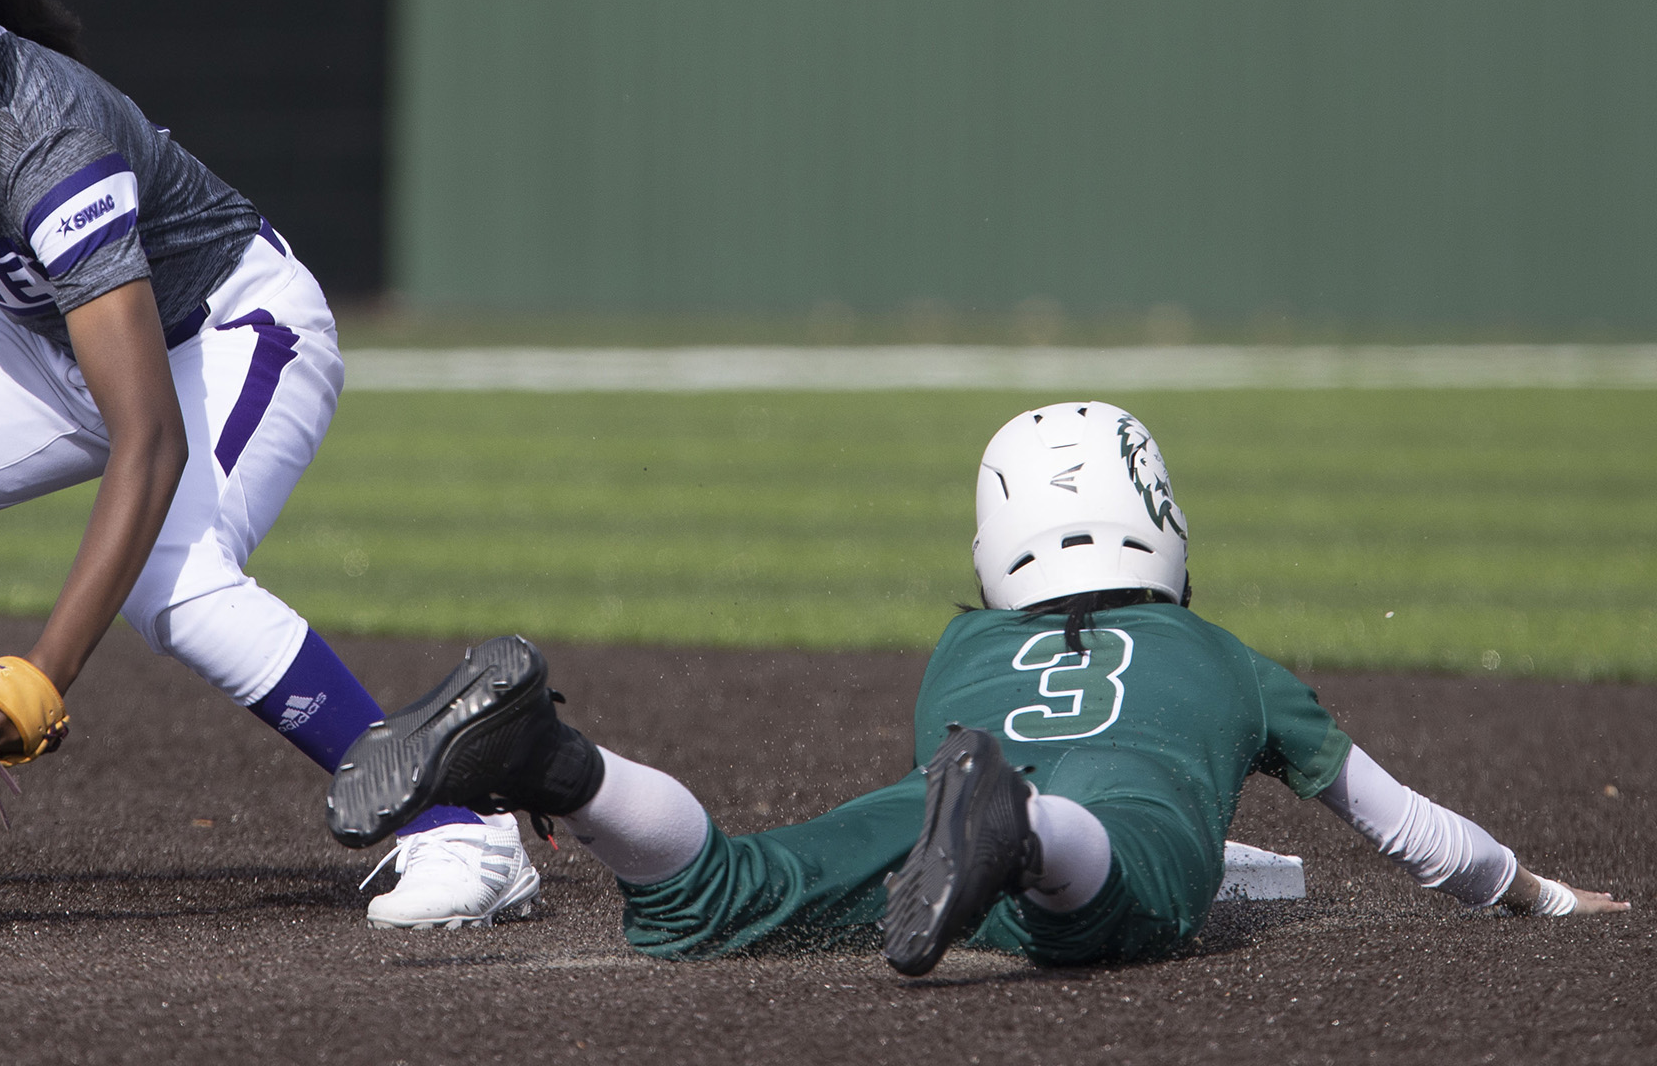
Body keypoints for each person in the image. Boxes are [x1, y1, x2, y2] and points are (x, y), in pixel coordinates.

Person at [0, 0, 538, 931]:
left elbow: (149, 438)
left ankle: (458, 829)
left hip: (226, 331)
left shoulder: (48, 132)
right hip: (43, 331)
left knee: (180, 585)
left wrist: (46, 671)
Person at [323, 400, 1629, 972]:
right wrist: (1541, 892)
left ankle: (556, 763)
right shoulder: (1233, 665)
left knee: (717, 899)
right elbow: (1411, 832)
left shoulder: (964, 650)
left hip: (938, 787)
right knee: (1108, 903)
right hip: (1077, 820)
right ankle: (1021, 830)